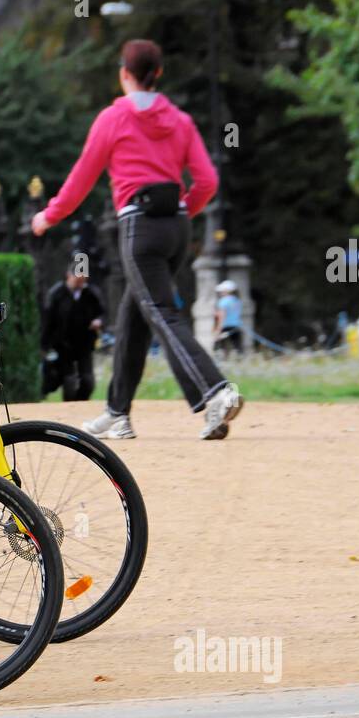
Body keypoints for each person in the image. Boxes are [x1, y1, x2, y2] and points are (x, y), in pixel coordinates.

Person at [32, 39, 243, 440]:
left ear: (124, 74)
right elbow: (208, 181)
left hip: (139, 226)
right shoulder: (180, 120)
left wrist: (48, 215)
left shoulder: (113, 119)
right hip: (177, 227)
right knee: (134, 313)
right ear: (158, 74)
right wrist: (184, 211)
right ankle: (117, 412)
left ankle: (215, 391)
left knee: (160, 311)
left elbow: (80, 180)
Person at [41, 256, 104, 401]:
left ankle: (80, 404)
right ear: (69, 275)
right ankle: (68, 407)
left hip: (84, 343)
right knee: (68, 381)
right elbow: (47, 321)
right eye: (78, 277)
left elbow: (102, 313)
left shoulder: (91, 294)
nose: (81, 281)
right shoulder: (56, 294)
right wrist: (45, 345)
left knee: (88, 381)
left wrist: (98, 321)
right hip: (62, 345)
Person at [213, 280, 243, 355]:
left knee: (219, 346)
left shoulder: (223, 301)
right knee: (237, 346)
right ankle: (239, 359)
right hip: (236, 326)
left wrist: (218, 330)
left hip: (225, 327)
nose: (220, 293)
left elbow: (222, 316)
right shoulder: (237, 300)